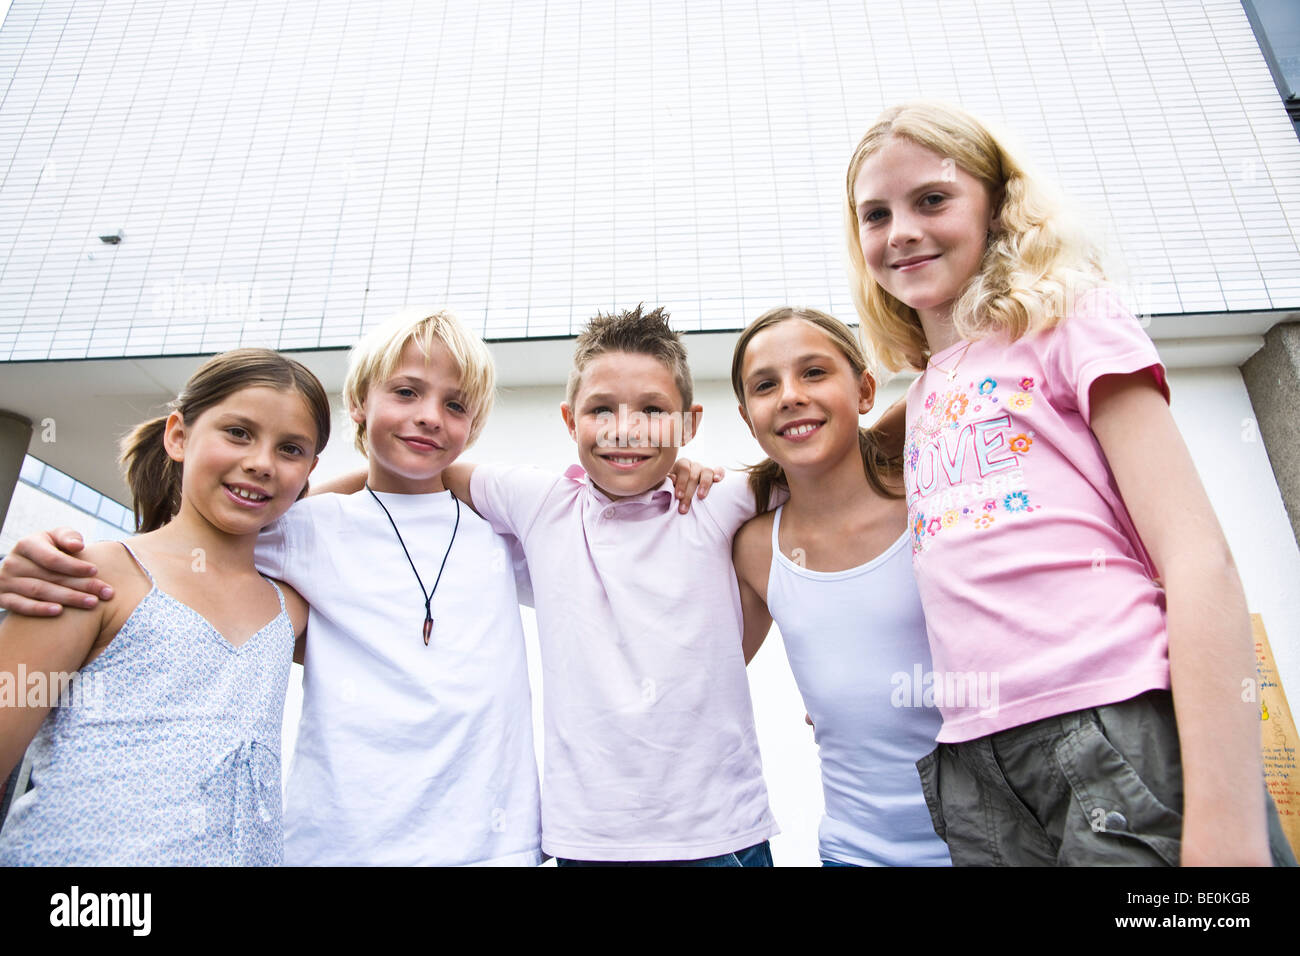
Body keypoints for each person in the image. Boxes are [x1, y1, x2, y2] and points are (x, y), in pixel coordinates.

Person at [843, 99, 1294, 865]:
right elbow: (829, 459)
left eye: (932, 199)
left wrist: (1226, 824)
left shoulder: (1067, 322)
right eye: (876, 214)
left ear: (995, 205)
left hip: (1110, 730)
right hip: (976, 766)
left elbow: (1196, 556)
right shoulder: (921, 400)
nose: (903, 231)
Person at [1, 309, 546, 866]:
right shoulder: (107, 577)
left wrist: (455, 479)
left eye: (455, 405)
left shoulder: (498, 535)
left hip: (487, 849)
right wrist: (26, 564)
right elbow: (206, 538)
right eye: (406, 392)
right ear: (359, 402)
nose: (429, 417)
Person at [0, 348, 328, 865]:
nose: (261, 463)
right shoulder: (88, 577)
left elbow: (377, 496)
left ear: (309, 470)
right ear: (178, 435)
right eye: (238, 432)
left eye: (290, 449)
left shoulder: (292, 610)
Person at [729, 305, 951, 867]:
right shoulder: (757, 547)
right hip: (855, 852)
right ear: (747, 417)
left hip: (994, 844)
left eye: (814, 373)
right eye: (765, 385)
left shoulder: (933, 497)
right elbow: (709, 671)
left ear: (865, 389)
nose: (790, 395)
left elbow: (944, 384)